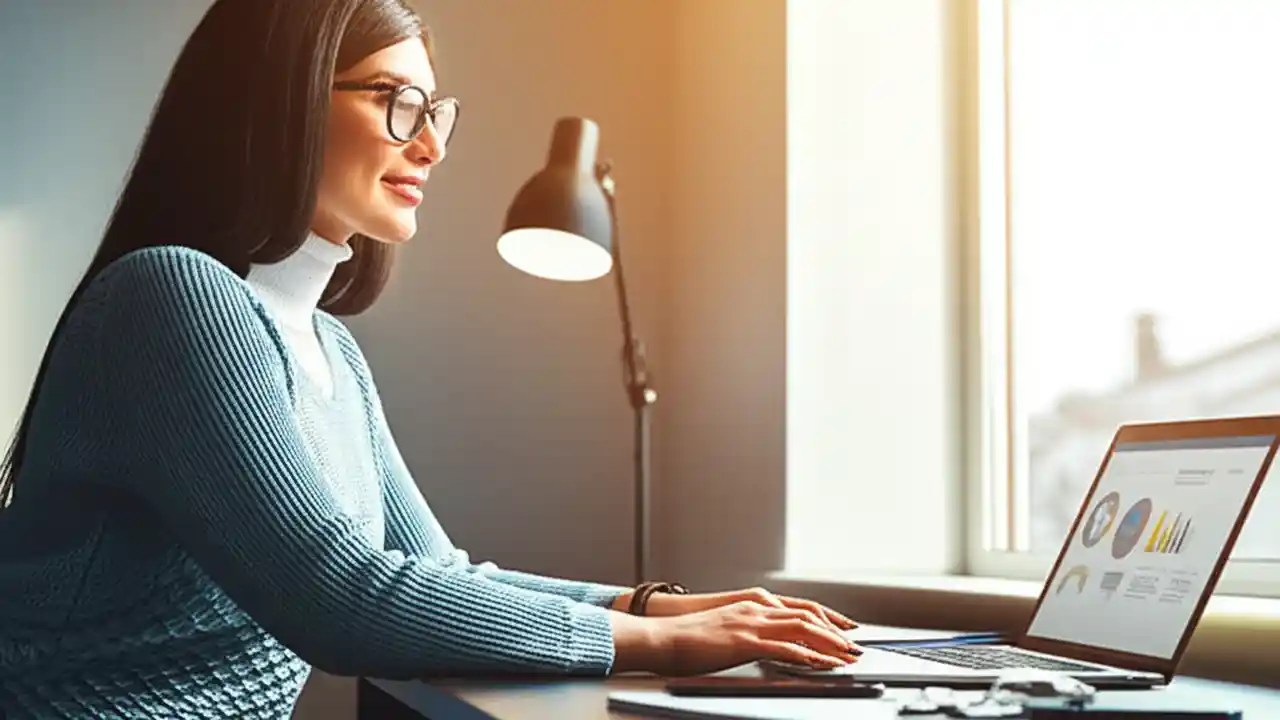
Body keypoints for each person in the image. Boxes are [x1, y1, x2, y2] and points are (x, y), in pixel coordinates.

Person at [0, 0, 860, 717]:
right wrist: (664, 642)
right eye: (395, 102)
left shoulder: (330, 349)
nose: (432, 146)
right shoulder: (171, 297)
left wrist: (660, 605)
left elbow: (436, 577)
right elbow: (336, 596)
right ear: (280, 101)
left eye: (435, 111)